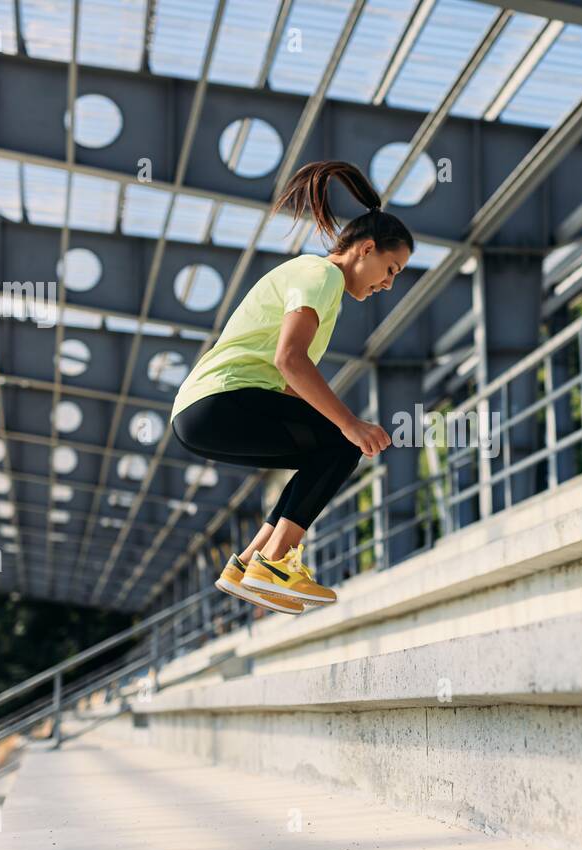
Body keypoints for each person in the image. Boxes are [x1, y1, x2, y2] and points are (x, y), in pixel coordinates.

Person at [170, 160, 411, 614]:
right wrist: (351, 425)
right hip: (220, 401)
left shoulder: (323, 288)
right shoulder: (321, 277)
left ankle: (248, 563)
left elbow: (286, 385)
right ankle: (276, 562)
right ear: (366, 249)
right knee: (341, 443)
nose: (388, 284)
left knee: (325, 450)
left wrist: (343, 429)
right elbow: (290, 361)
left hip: (203, 412)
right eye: (391, 268)